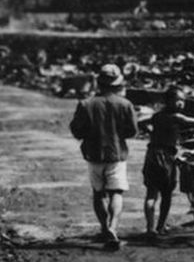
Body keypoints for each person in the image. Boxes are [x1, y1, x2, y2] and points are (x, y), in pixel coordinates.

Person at [69, 64, 139, 251]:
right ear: (117, 84)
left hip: (93, 154)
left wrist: (89, 134)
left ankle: (103, 227)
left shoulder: (86, 104)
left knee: (98, 192)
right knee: (116, 192)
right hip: (116, 154)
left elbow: (76, 130)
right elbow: (132, 131)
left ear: (99, 83)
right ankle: (113, 227)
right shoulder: (125, 104)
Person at [142, 87, 194, 237]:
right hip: (166, 157)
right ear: (169, 101)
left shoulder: (157, 116)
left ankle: (150, 228)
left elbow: (142, 122)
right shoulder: (176, 117)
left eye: (182, 101)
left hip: (152, 155)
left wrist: (152, 131)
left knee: (151, 194)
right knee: (167, 194)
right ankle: (160, 227)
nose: (181, 104)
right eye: (178, 100)